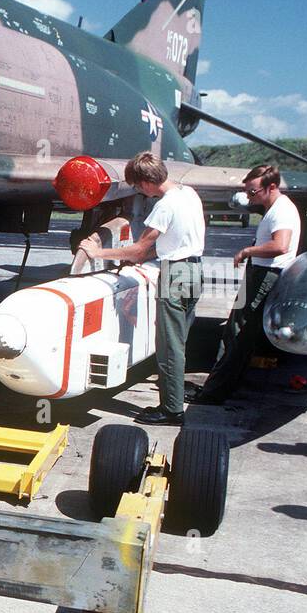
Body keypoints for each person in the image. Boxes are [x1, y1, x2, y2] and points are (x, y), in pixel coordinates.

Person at [80, 151, 205, 426]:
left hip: (175, 274)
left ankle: (172, 410)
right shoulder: (189, 193)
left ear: (146, 182)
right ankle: (176, 392)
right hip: (196, 270)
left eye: (137, 186)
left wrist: (97, 252)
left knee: (169, 345)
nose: (139, 191)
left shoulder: (164, 205)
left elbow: (138, 252)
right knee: (179, 340)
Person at [196, 164, 301, 404]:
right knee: (242, 333)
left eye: (253, 192)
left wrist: (247, 251)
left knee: (237, 332)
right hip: (261, 272)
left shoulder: (281, 211)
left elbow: (280, 245)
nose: (249, 197)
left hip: (265, 275)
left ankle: (213, 393)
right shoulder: (275, 208)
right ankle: (223, 386)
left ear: (271, 187)